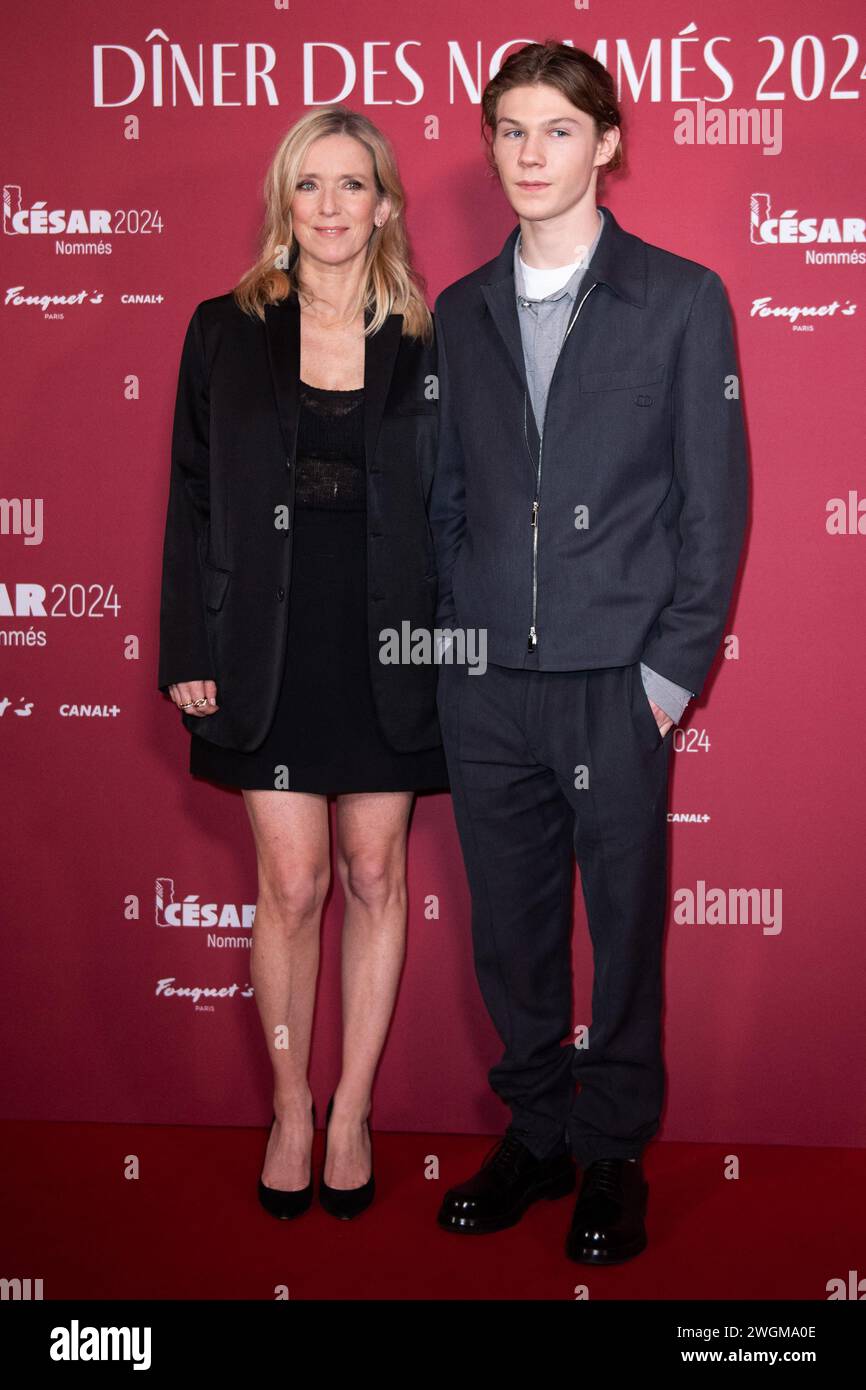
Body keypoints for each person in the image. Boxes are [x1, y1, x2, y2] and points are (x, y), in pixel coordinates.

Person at [429, 41, 748, 1262]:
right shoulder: (458, 312)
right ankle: (537, 1133)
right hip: (488, 687)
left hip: (617, 682)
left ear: (605, 144)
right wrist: (462, 645)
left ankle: (611, 1152)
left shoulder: (680, 298)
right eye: (509, 130)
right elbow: (447, 498)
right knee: (509, 930)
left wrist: (665, 675)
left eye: (556, 130)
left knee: (619, 925)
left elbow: (710, 506)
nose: (528, 154)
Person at [157, 105, 448, 1222]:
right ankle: (288, 1102)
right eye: (310, 185)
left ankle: (354, 1109)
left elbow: (457, 508)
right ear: (286, 200)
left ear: (384, 204)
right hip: (260, 640)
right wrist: (188, 644)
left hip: (392, 640)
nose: (330, 207)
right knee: (291, 883)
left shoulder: (432, 337)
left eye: (353, 185)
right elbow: (190, 496)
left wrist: (455, 648)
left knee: (376, 872)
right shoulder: (220, 329)